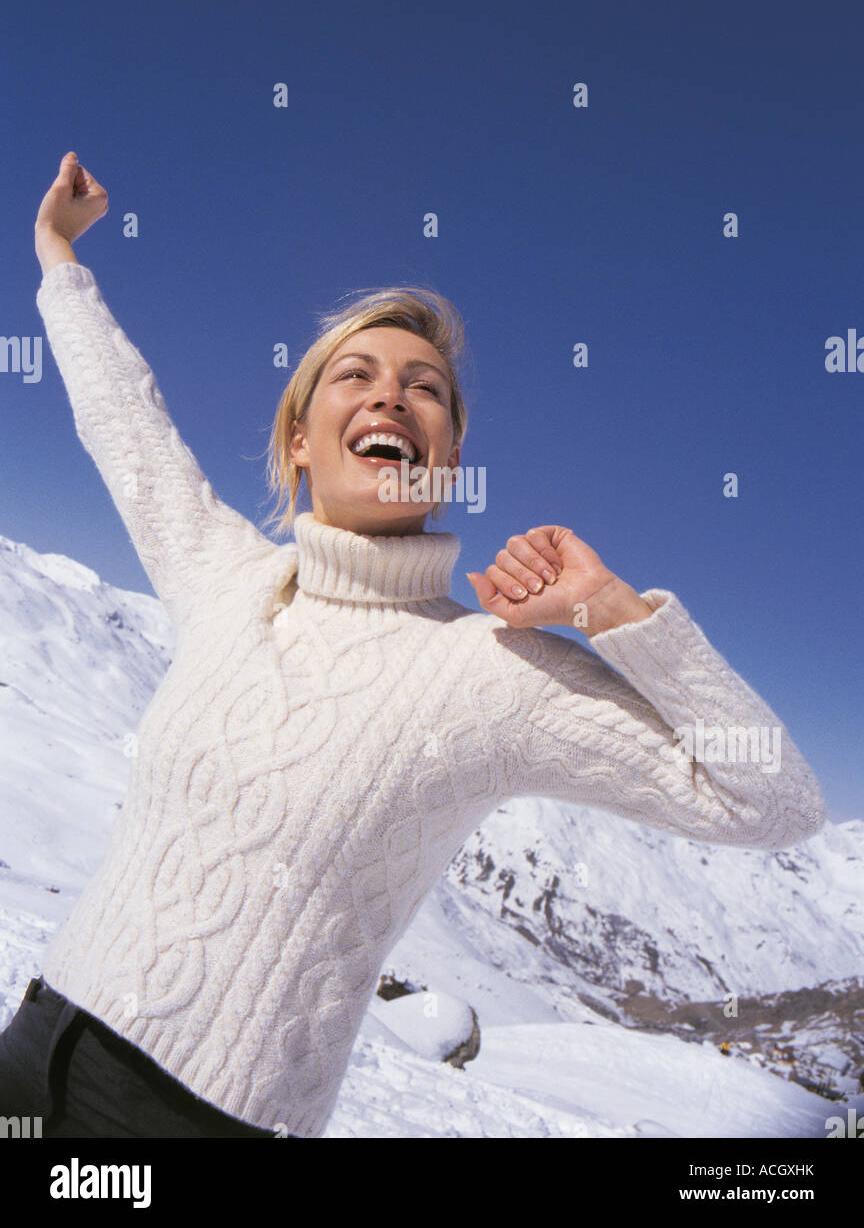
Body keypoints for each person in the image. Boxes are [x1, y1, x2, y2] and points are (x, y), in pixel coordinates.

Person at [0, 151, 826, 1138]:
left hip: (195, 1118)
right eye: (356, 375)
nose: (390, 396)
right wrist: (57, 251)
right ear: (301, 437)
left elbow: (772, 802)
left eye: (424, 387)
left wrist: (610, 607)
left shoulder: (492, 671)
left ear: (450, 460)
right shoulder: (230, 580)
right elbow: (123, 420)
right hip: (35, 1041)